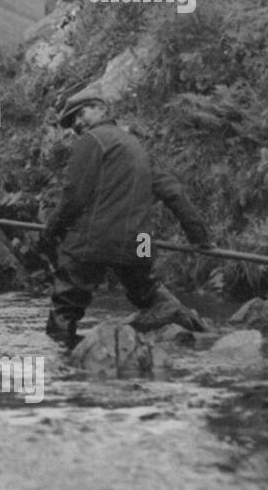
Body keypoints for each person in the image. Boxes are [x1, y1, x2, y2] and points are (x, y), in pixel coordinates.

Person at [38, 91, 212, 344]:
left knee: (65, 307)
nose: (76, 124)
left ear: (100, 109)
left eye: (80, 114)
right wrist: (199, 236)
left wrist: (50, 233)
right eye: (71, 121)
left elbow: (74, 196)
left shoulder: (92, 140)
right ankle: (197, 331)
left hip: (94, 241)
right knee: (147, 291)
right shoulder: (137, 146)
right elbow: (173, 192)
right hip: (139, 243)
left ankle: (67, 366)